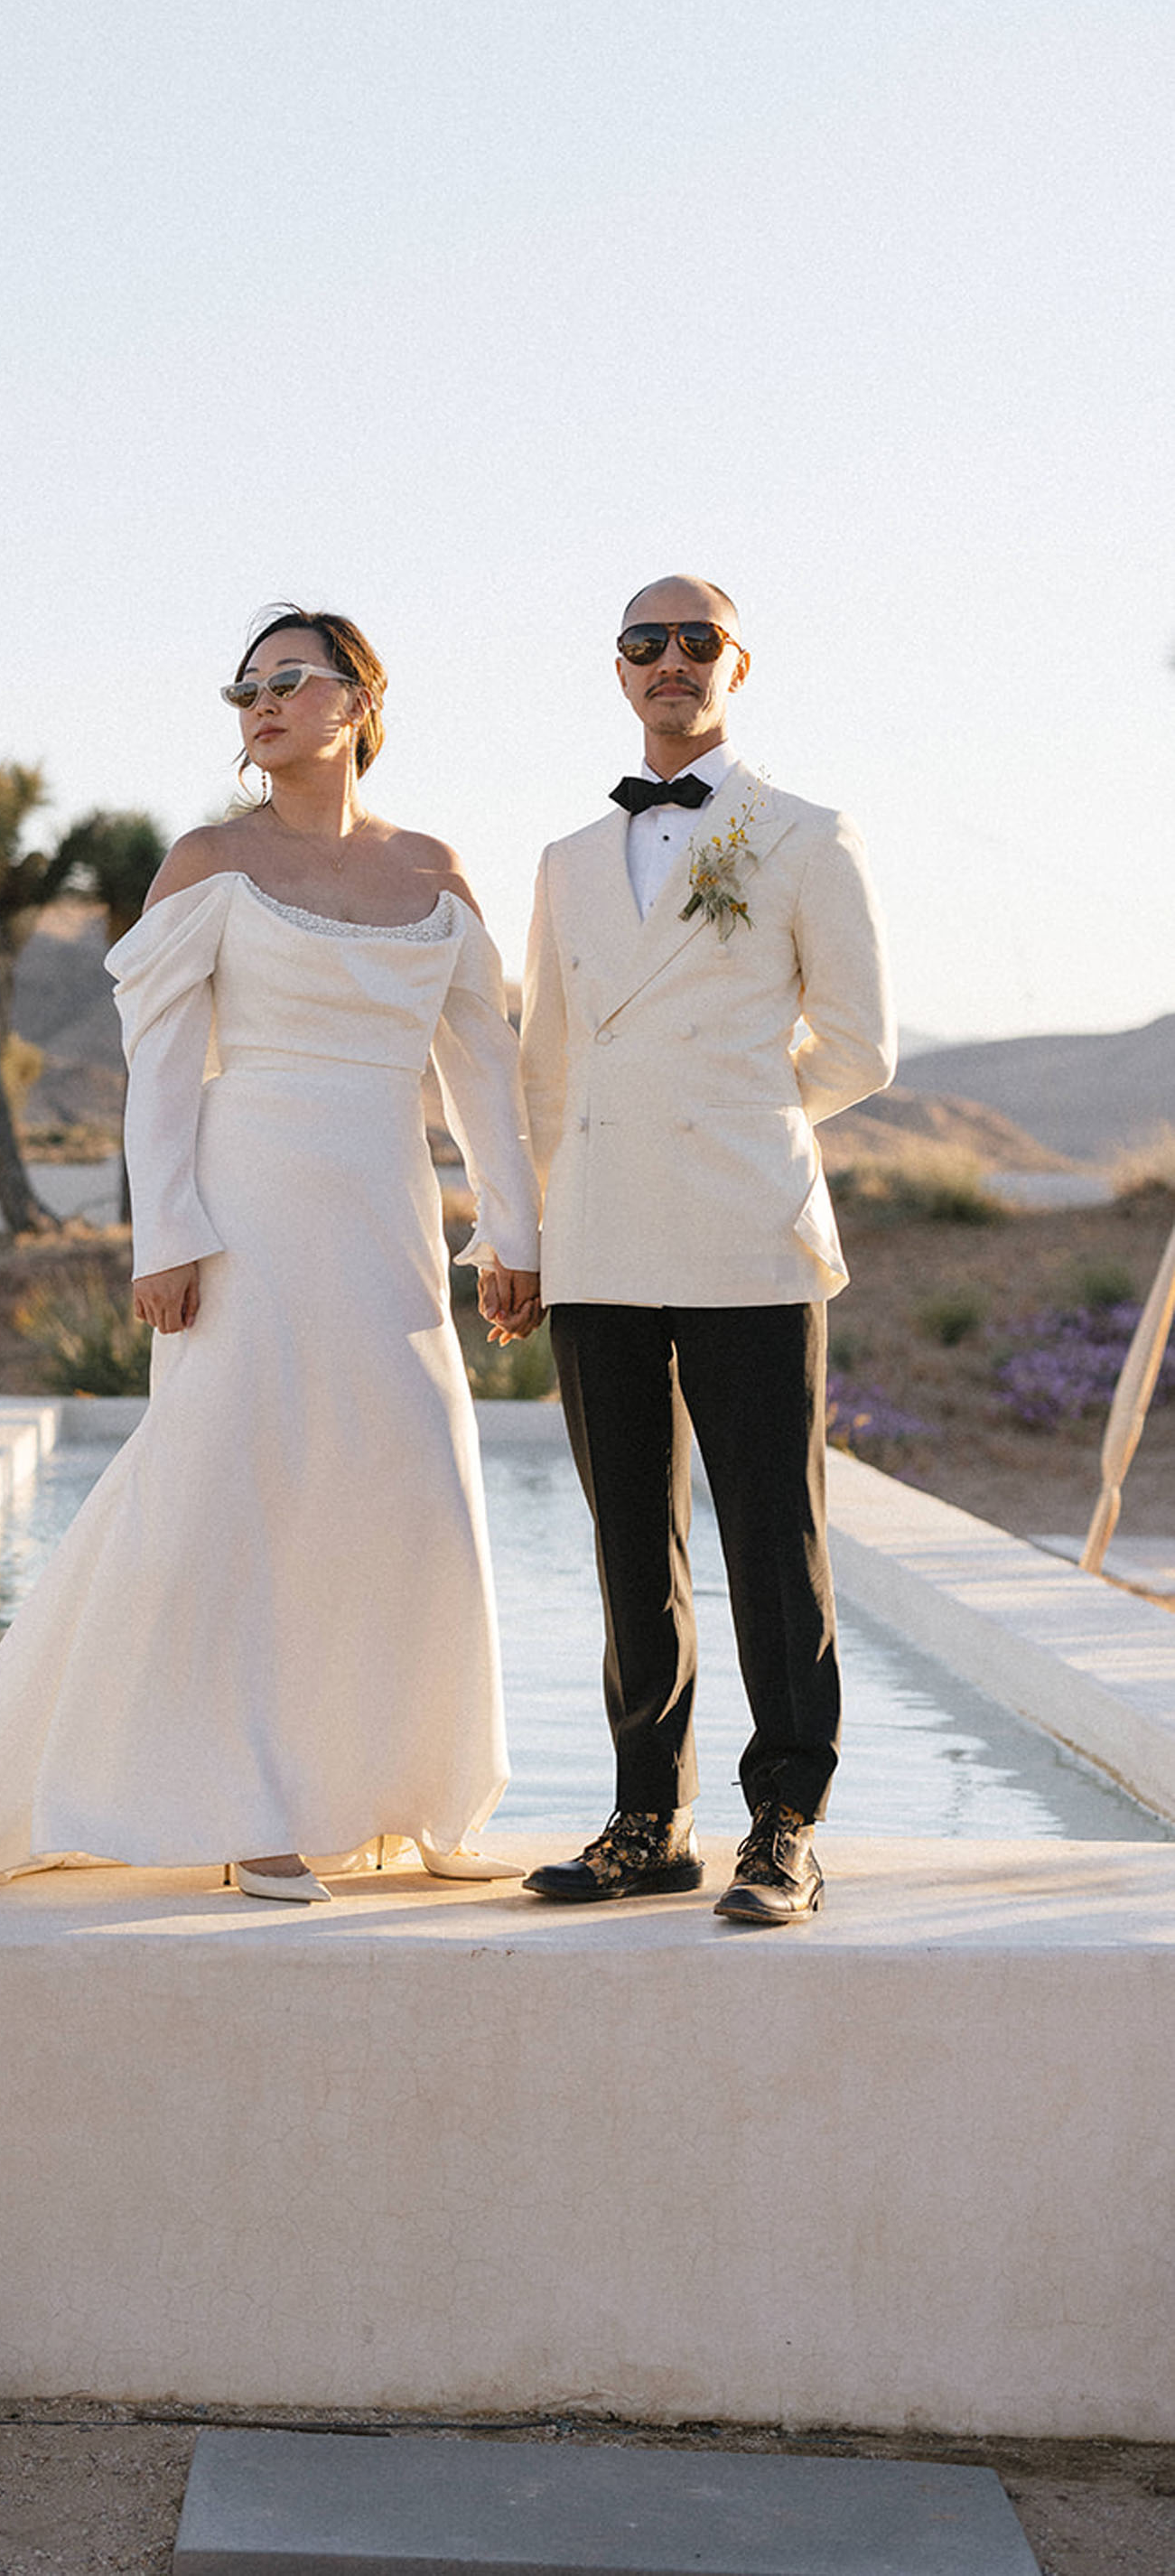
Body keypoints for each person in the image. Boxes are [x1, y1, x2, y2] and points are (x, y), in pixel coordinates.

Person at [0, 607, 542, 1903]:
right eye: (246, 688)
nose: (261, 704)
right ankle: (249, 1805)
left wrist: (513, 1229)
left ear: (360, 699)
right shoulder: (209, 858)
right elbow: (161, 1066)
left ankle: (411, 1791)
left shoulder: (436, 870)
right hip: (246, 1207)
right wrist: (167, 1235)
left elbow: (480, 1066)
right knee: (234, 1489)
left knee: (410, 1477)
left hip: (387, 1215)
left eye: (290, 680)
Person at [515, 574, 893, 1925]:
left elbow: (859, 1044)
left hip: (746, 1221)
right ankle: (645, 1814)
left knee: (772, 1532)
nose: (669, 661)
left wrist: (731, 1097)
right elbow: (542, 1063)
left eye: (695, 641)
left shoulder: (802, 832)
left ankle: (786, 1819)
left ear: (739, 661)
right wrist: (526, 1229)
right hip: (601, 1233)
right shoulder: (565, 860)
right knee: (630, 1534)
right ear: (618, 670)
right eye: (642, 642)